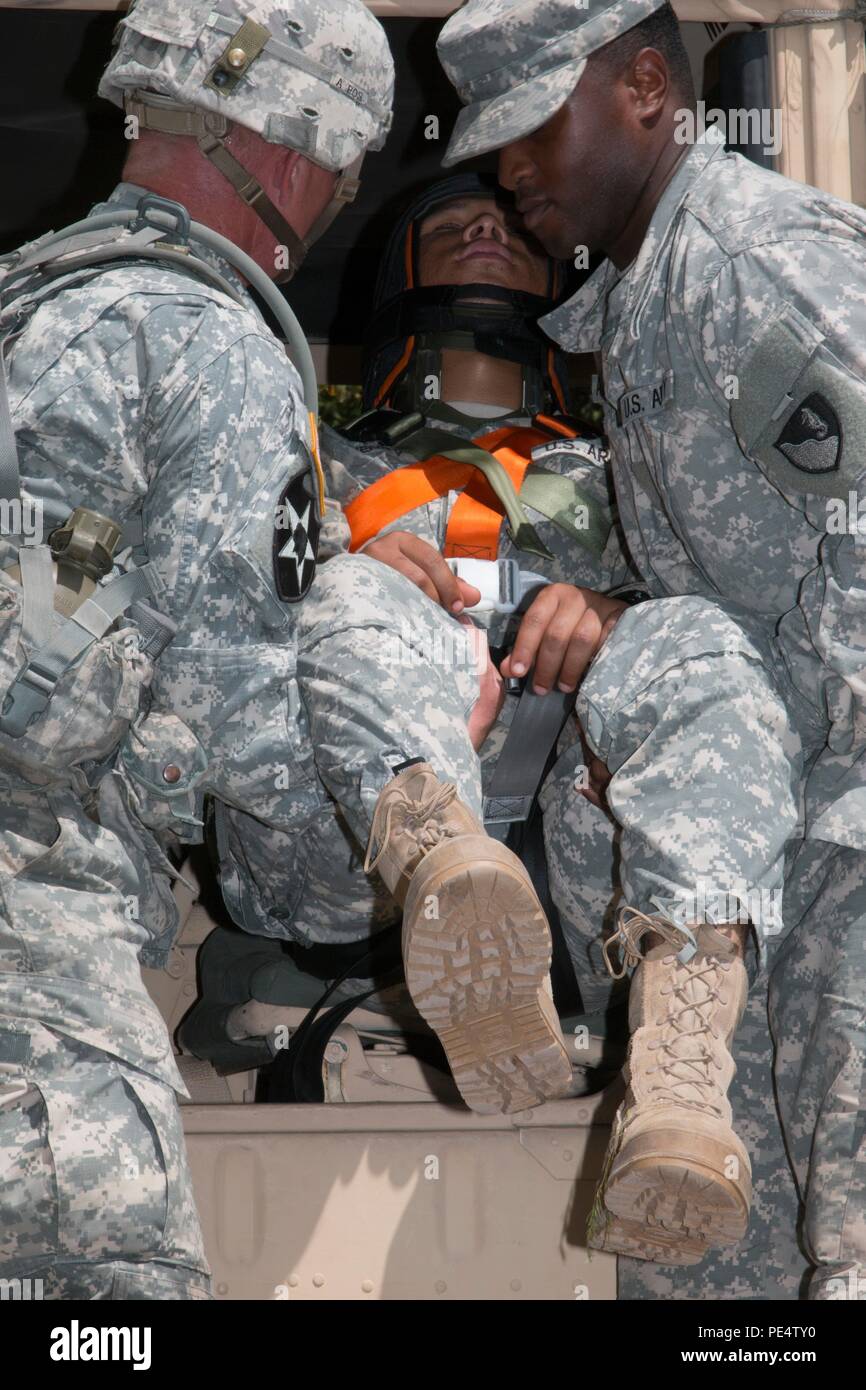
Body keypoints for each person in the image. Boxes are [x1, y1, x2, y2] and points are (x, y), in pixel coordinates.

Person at [0, 0, 567, 1302]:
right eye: (345, 171)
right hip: (37, 923)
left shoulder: (33, 307)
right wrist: (411, 754)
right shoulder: (210, 346)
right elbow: (240, 718)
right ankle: (431, 834)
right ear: (299, 155)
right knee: (101, 1303)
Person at [436, 0, 866, 1299]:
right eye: (492, 139)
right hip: (762, 870)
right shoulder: (643, 300)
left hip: (844, 857)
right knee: (724, 1297)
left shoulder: (749, 265)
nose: (508, 169)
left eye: (532, 125)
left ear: (642, 86)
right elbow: (746, 567)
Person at [185, 171, 638, 1082]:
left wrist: (617, 614)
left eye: (511, 225)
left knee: (686, 642)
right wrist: (332, 566)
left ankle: (677, 1023)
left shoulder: (633, 479)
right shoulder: (307, 464)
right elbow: (202, 631)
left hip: (576, 891)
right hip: (349, 883)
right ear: (401, 278)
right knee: (336, 586)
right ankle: (442, 866)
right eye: (452, 226)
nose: (484, 231)